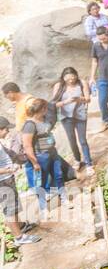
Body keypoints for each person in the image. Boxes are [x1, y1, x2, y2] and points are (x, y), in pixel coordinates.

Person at [0, 117, 39, 246]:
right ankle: (19, 238)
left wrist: (18, 160)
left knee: (14, 207)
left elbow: (8, 153)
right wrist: (6, 170)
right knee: (9, 210)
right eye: (5, 129)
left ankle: (20, 226)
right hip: (3, 181)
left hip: (7, 178)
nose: (7, 131)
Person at [20, 99, 64, 212]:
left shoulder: (44, 119)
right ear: (42, 109)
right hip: (40, 156)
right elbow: (27, 145)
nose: (47, 110)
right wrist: (34, 162)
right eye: (46, 108)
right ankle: (43, 207)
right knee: (41, 182)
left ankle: (63, 198)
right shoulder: (30, 125)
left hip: (52, 153)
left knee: (58, 175)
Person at [51, 68, 92, 174]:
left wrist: (80, 99)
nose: (71, 81)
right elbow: (54, 104)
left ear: (76, 75)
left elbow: (88, 99)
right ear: (63, 78)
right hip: (66, 117)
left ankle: (89, 164)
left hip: (80, 115)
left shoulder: (82, 83)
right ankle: (77, 160)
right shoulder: (58, 86)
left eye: (73, 78)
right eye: (68, 79)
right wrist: (66, 102)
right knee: (72, 140)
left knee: (83, 140)